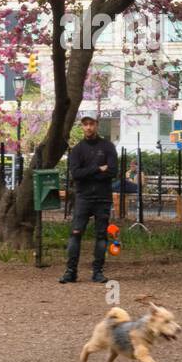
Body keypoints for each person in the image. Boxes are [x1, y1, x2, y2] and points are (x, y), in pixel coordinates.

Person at [60, 111, 118, 284]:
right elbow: (76, 174)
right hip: (83, 198)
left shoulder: (108, 147)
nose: (88, 127)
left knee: (101, 236)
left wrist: (90, 173)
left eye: (91, 124)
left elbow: (113, 172)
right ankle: (71, 272)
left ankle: (98, 272)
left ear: (96, 125)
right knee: (75, 233)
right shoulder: (77, 149)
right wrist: (98, 169)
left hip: (102, 198)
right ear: (82, 126)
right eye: (85, 124)